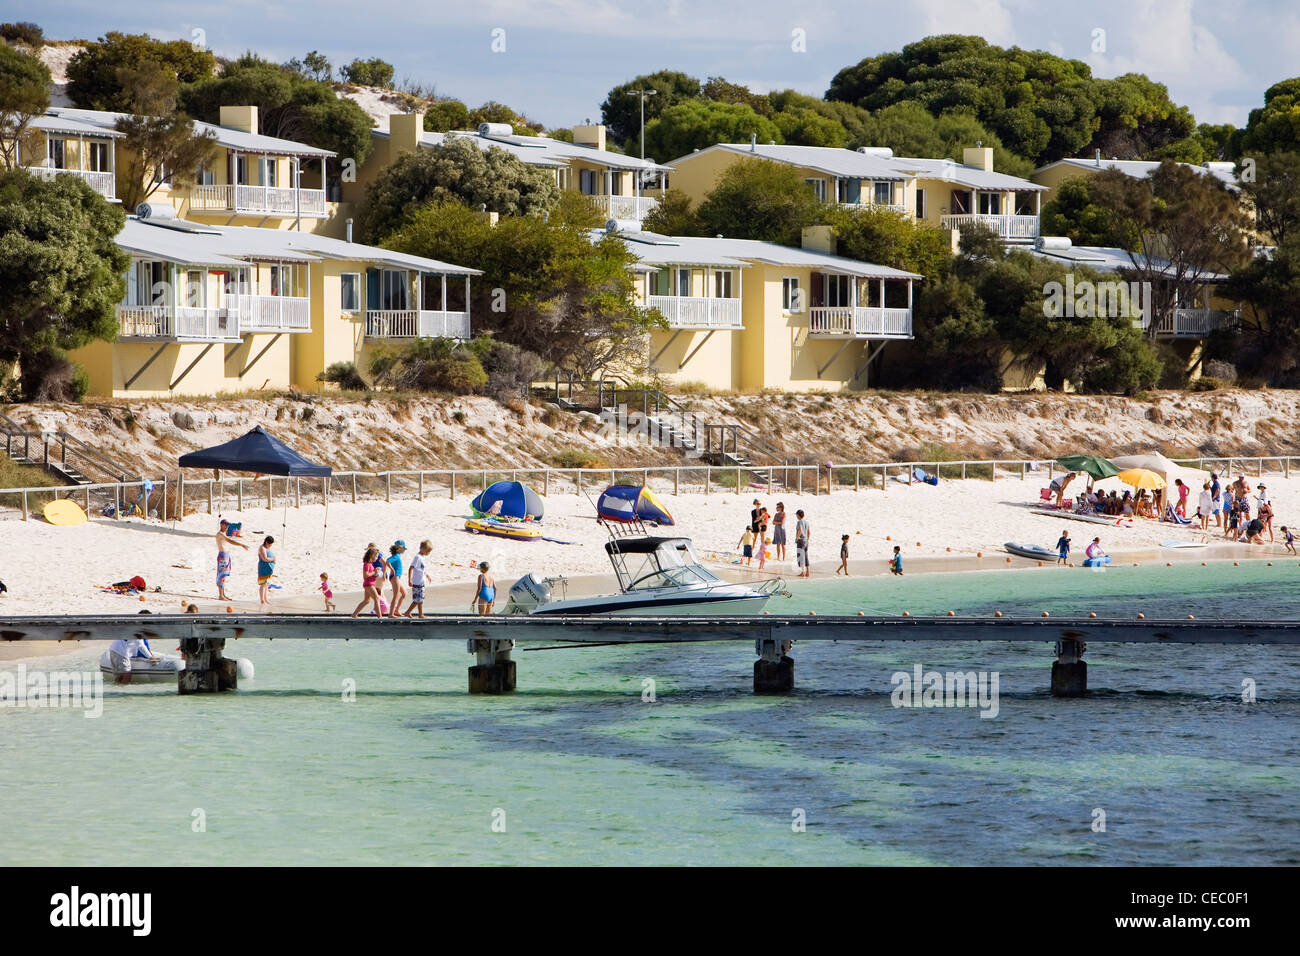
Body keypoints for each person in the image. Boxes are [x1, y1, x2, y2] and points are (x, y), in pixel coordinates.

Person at [215, 519, 249, 602]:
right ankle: (221, 595)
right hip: (222, 555)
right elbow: (230, 541)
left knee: (224, 575)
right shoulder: (220, 534)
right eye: (225, 525)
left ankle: (223, 594)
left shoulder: (224, 534)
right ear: (221, 525)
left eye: (228, 525)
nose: (227, 526)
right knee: (221, 575)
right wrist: (241, 544)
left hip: (226, 556)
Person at [351, 547, 384, 619]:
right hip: (369, 584)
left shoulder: (370, 564)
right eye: (376, 556)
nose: (377, 558)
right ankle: (380, 616)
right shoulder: (367, 564)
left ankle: (354, 614)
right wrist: (374, 572)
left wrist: (376, 571)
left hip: (369, 584)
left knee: (367, 601)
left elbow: (371, 574)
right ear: (372, 556)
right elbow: (365, 575)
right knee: (377, 598)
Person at [406, 540, 431, 618]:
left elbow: (422, 569)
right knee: (418, 599)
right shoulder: (417, 557)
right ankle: (408, 612)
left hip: (421, 582)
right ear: (422, 549)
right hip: (417, 582)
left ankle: (420, 614)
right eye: (427, 551)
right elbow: (410, 568)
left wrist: (427, 575)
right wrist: (409, 580)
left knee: (420, 599)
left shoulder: (422, 557)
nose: (428, 553)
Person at [387, 541, 408, 618]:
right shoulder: (396, 556)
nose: (405, 550)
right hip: (395, 577)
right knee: (396, 595)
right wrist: (392, 569)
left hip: (397, 577)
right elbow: (387, 561)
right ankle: (391, 614)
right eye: (404, 549)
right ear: (399, 548)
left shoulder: (398, 555)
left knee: (404, 593)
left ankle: (396, 610)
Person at [257, 536, 275, 610]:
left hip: (268, 568)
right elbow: (264, 558)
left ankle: (266, 598)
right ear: (266, 542)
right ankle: (262, 600)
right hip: (263, 568)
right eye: (270, 544)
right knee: (263, 584)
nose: (270, 546)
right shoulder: (262, 548)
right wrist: (273, 559)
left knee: (267, 584)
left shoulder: (267, 548)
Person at [795, 509, 810, 578]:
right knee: (806, 556)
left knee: (801, 556)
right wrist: (807, 539)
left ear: (798, 515)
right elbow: (809, 532)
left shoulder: (799, 522)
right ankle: (808, 572)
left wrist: (797, 538)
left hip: (801, 540)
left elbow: (800, 530)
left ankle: (803, 572)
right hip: (806, 540)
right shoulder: (807, 522)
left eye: (796, 515)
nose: (796, 516)